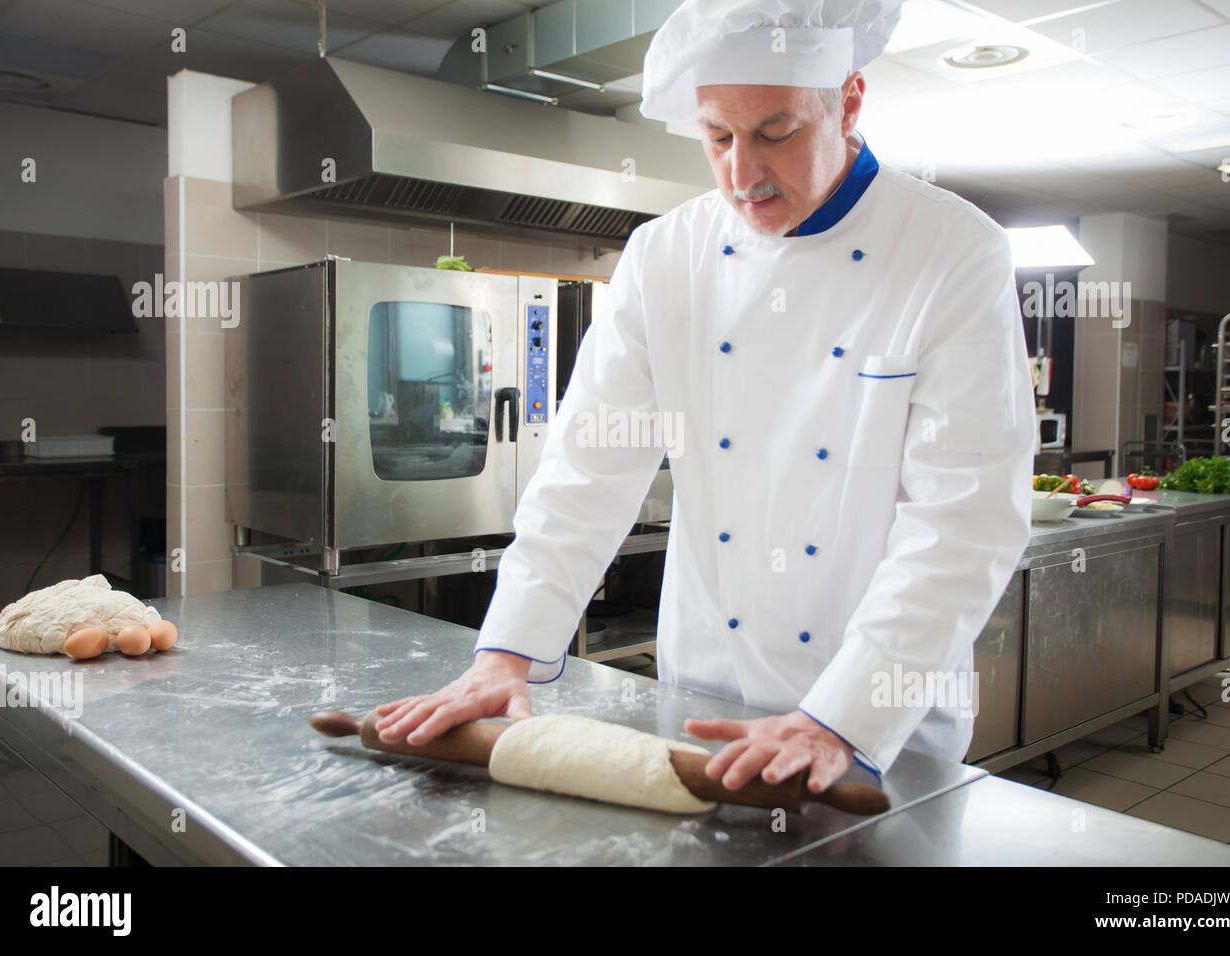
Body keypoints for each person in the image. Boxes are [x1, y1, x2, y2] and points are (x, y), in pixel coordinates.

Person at [376, 0, 1035, 794]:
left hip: (877, 727)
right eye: (717, 138)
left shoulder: (952, 250)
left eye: (774, 133)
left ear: (849, 100)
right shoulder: (664, 255)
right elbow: (588, 471)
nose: (742, 175)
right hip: (702, 706)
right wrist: (505, 652)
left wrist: (842, 718)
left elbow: (964, 520)